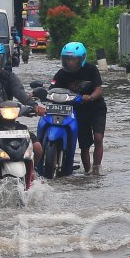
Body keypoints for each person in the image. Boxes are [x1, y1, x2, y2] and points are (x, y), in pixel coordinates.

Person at [0, 38, 45, 173]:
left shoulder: (10, 77)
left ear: (2, 59)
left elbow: (20, 94)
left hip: (8, 122)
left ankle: (31, 175)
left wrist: (34, 106)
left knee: (38, 148)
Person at [50, 41, 107, 175]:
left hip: (96, 108)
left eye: (73, 59)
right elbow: (52, 89)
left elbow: (99, 89)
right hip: (77, 111)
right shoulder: (61, 74)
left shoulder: (91, 69)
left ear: (81, 59)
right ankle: (87, 173)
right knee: (84, 145)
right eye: (67, 59)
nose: (70, 62)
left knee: (98, 138)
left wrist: (91, 97)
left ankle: (96, 169)